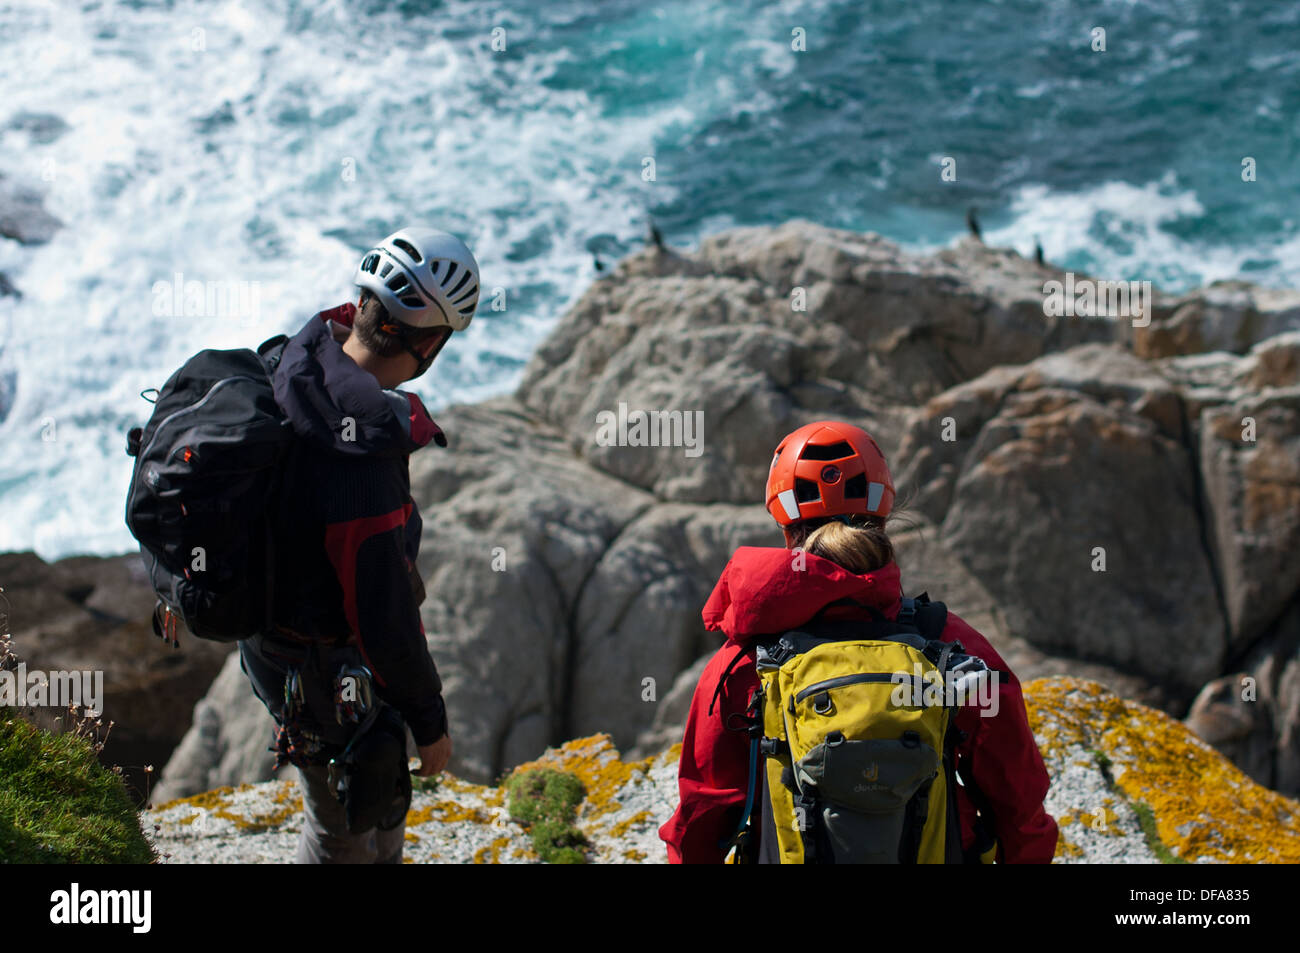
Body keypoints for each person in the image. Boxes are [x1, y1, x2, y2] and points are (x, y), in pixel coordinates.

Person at [659, 420, 1058, 864]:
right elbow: (1019, 804)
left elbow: (703, 812)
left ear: (783, 519)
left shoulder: (743, 662)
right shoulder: (950, 644)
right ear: (883, 512)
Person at [239, 227, 480, 864]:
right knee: (342, 829)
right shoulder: (363, 462)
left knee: (365, 798)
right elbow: (384, 617)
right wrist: (429, 721)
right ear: (430, 342)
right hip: (323, 668)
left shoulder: (293, 356)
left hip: (268, 645)